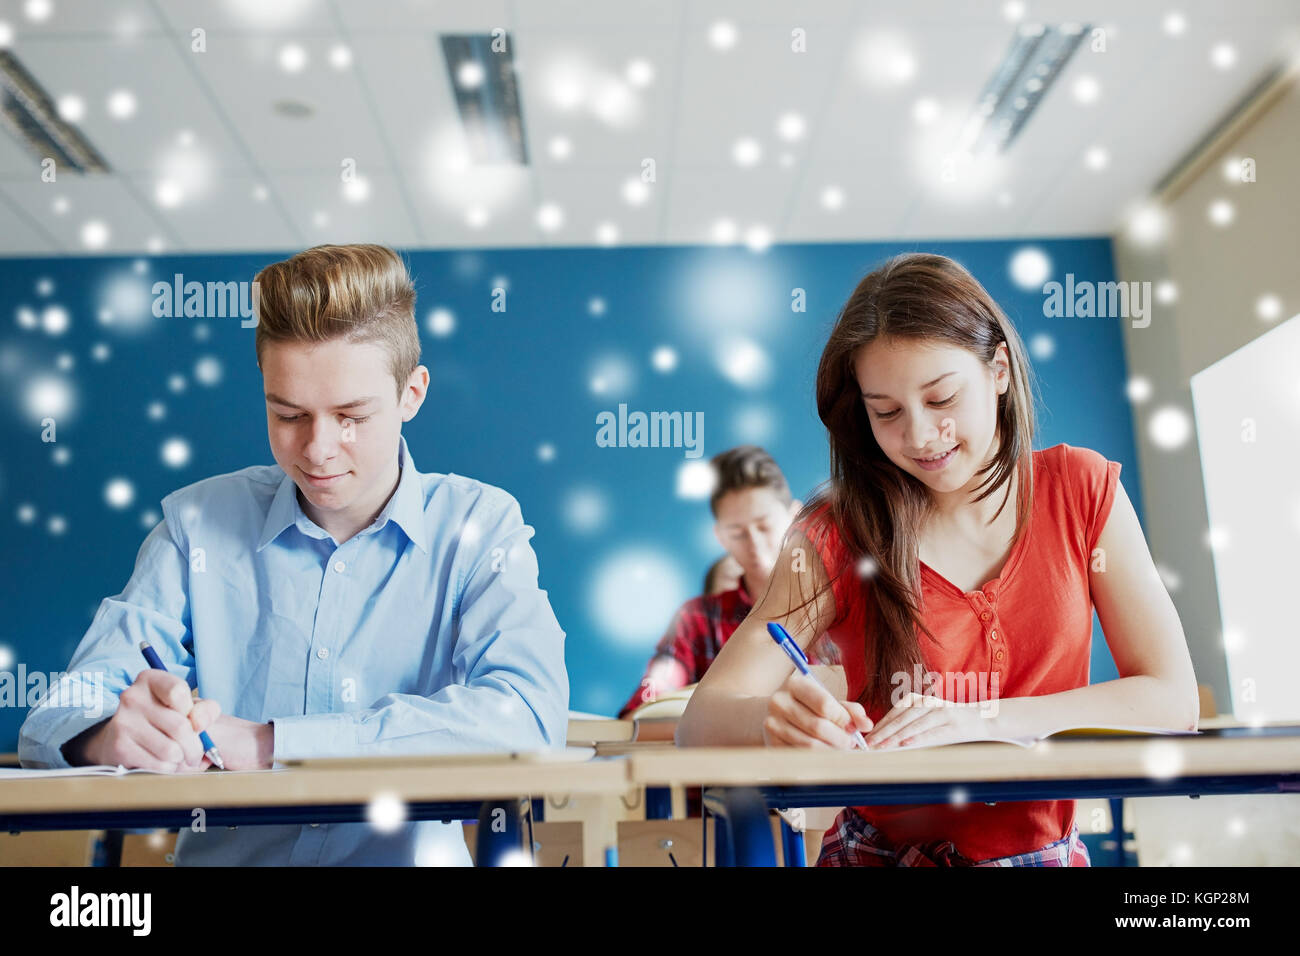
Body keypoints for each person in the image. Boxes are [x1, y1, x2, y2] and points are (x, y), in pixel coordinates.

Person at [19, 244, 569, 866]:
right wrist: (105, 735)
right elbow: (55, 713)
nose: (318, 448)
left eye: (352, 415)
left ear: (412, 394)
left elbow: (528, 715)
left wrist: (271, 742)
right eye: (289, 414)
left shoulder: (480, 526)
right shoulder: (197, 525)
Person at [676, 252, 1199, 866]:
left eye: (942, 397)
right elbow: (698, 724)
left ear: (999, 369)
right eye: (886, 412)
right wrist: (775, 718)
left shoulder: (1082, 490)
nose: (920, 436)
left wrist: (986, 718)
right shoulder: (837, 532)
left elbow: (1173, 701)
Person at [617, 445, 838, 720]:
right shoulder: (696, 620)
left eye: (764, 525)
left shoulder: (839, 605)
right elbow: (641, 711)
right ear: (720, 537)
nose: (755, 545)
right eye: (737, 533)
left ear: (797, 518)